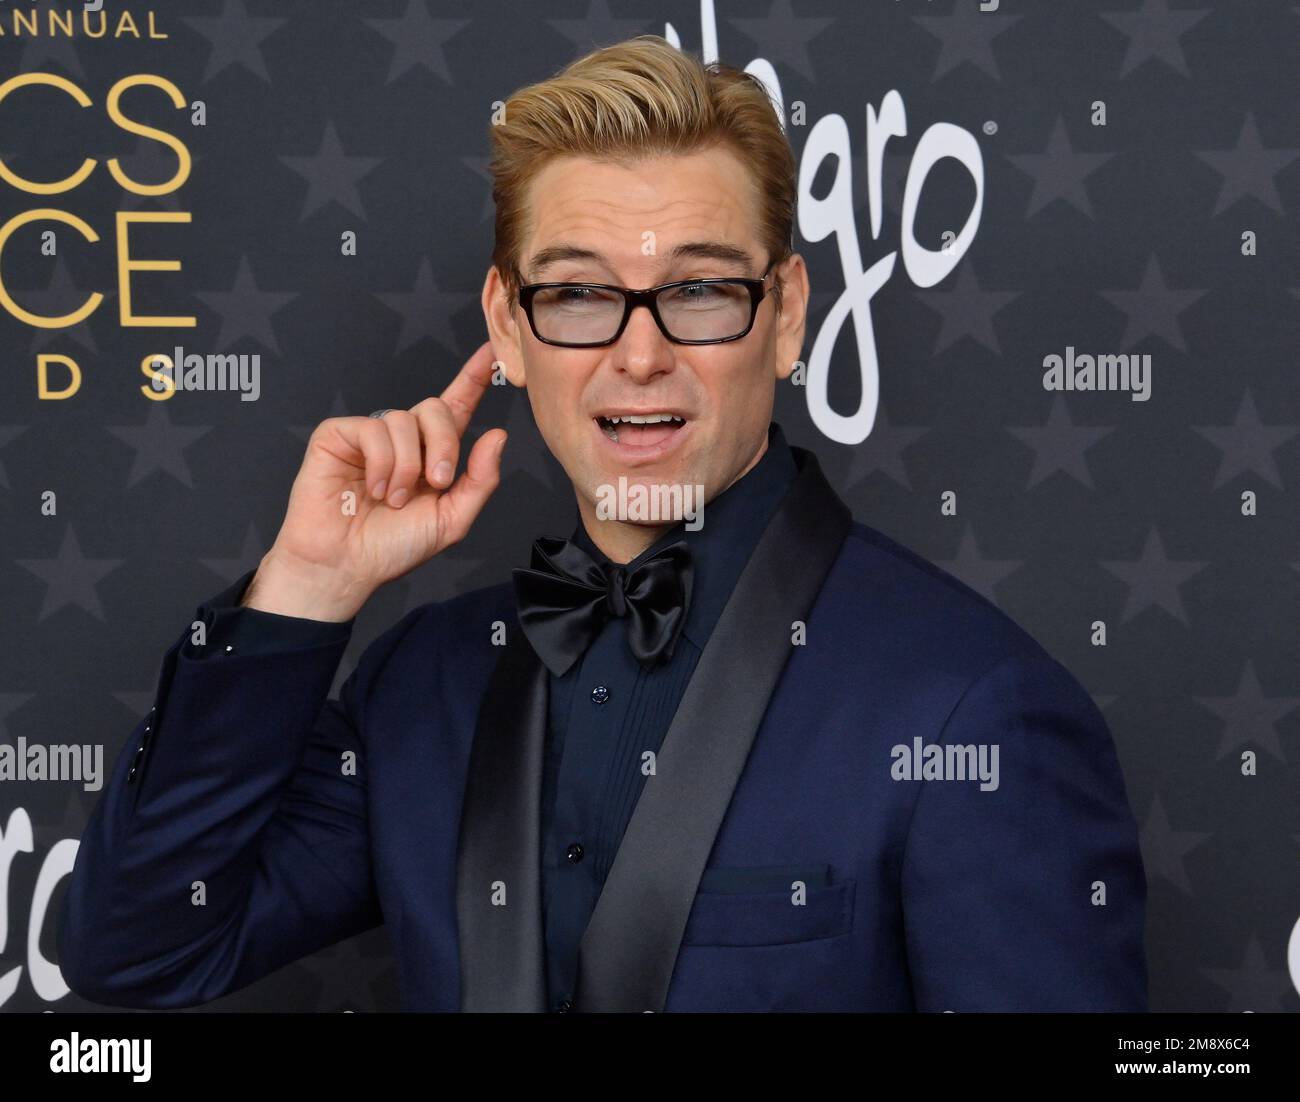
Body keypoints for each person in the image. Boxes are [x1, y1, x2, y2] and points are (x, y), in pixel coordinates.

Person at [58, 35, 1147, 1012]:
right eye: (578, 295)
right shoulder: (421, 685)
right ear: (508, 326)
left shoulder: (970, 711)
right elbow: (136, 951)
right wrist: (303, 586)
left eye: (700, 290)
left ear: (786, 316)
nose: (639, 354)